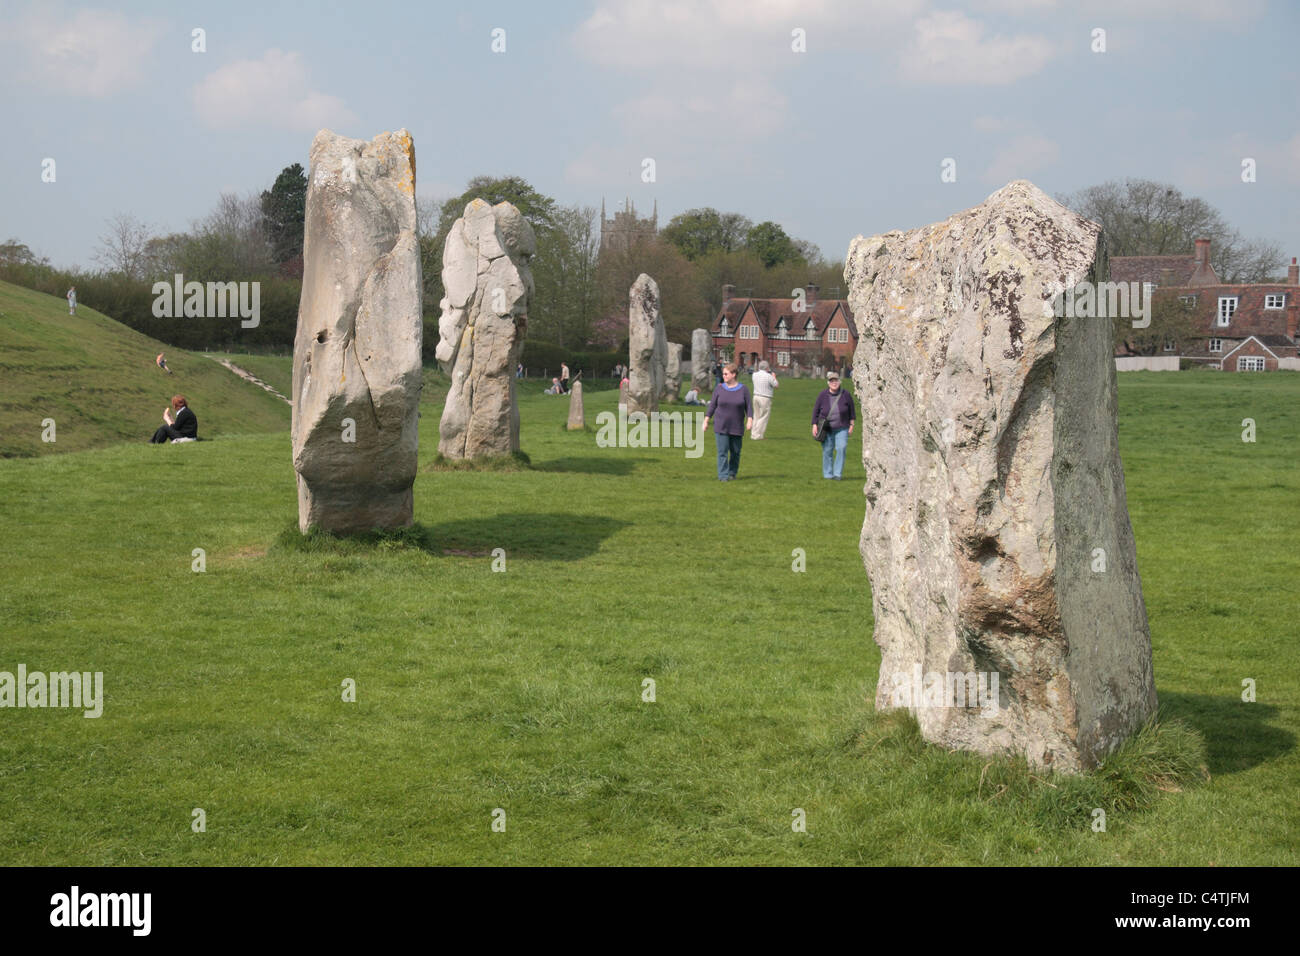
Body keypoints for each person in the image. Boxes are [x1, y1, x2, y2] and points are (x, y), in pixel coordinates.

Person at [703, 363, 752, 482]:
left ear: (734, 375)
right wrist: (706, 420)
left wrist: (750, 420)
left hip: (736, 426)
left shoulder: (743, 389)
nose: (723, 376)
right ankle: (723, 475)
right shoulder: (719, 388)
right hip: (721, 425)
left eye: (726, 374)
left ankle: (732, 473)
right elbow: (712, 406)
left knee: (735, 452)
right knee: (722, 452)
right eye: (723, 374)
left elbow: (749, 407)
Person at [812, 371, 855, 480]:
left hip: (842, 427)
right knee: (827, 450)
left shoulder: (846, 394)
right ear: (828, 383)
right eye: (832, 381)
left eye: (836, 380)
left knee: (841, 448)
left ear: (840, 382)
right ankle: (828, 474)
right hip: (827, 428)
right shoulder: (823, 395)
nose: (834, 383)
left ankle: (837, 474)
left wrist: (851, 424)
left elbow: (852, 410)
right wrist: (814, 424)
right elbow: (816, 410)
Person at [750, 360, 778, 440]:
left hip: (756, 396)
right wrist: (774, 377)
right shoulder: (769, 376)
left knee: (756, 416)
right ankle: (758, 436)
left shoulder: (754, 375)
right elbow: (776, 385)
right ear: (767, 367)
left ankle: (753, 434)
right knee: (763, 417)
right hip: (765, 397)